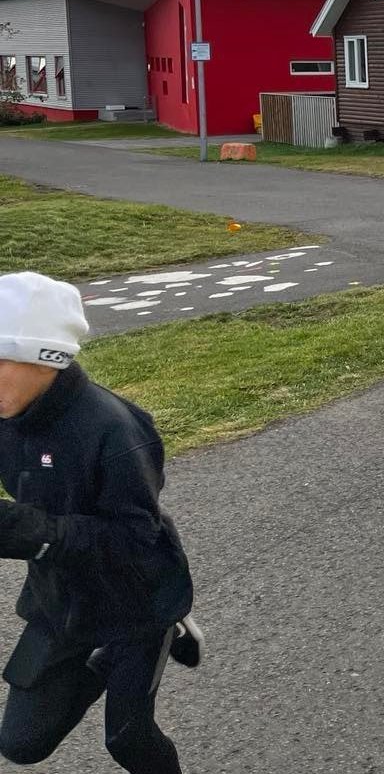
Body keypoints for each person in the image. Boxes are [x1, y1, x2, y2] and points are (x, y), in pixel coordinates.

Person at [0, 273, 201, 774]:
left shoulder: (115, 430)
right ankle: (102, 660)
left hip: (137, 597)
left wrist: (34, 532)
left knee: (128, 739)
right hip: (62, 597)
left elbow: (134, 538)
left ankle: (164, 626)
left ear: (45, 357)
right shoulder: (8, 413)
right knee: (21, 743)